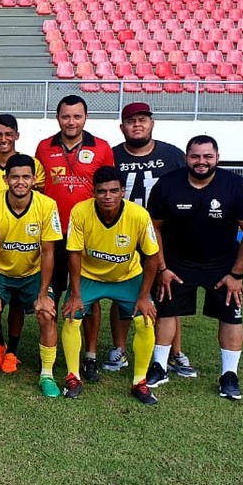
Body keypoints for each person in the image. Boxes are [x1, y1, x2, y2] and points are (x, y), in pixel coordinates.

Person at [146, 135, 243, 400]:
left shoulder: (236, 186)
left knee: (231, 315)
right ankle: (159, 366)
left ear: (217, 158)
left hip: (223, 265)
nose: (201, 162)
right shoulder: (168, 184)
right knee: (166, 311)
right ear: (187, 157)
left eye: (207, 156)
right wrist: (162, 268)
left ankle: (229, 375)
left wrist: (237, 274)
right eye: (195, 156)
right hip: (177, 263)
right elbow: (154, 228)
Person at [61, 166, 160, 404]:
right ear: (93, 192)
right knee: (72, 316)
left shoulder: (138, 215)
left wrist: (144, 296)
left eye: (113, 191)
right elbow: (73, 253)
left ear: (122, 192)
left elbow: (152, 256)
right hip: (89, 276)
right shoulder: (80, 211)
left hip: (127, 277)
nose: (108, 196)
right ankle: (73, 376)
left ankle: (140, 382)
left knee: (145, 320)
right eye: (102, 191)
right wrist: (75, 294)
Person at [35, 94, 114, 383]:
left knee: (87, 297)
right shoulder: (44, 147)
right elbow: (39, 192)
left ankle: (90, 356)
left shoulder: (102, 148)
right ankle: (53, 354)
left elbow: (109, 191)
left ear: (85, 118)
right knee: (53, 295)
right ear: (58, 118)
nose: (71, 121)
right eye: (66, 116)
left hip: (88, 236)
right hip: (54, 236)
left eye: (77, 116)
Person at [103, 102, 187, 374]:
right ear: (122, 127)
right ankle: (120, 349)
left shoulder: (172, 156)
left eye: (142, 120)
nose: (137, 125)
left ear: (152, 123)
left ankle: (173, 352)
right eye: (131, 121)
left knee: (167, 293)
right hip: (123, 234)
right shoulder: (111, 155)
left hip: (164, 234)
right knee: (122, 292)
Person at [0, 153, 62, 396]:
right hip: (0, 271)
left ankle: (47, 375)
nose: (20, 182)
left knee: (46, 314)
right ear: (5, 179)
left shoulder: (47, 205)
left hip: (32, 272)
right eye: (14, 177)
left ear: (34, 179)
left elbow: (48, 251)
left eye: (25, 177)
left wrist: (43, 294)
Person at [0, 114, 47, 374]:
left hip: (25, 242)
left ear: (16, 135)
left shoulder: (32, 167)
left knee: (15, 302)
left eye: (8, 134)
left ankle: (11, 349)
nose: (3, 139)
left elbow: (39, 201)